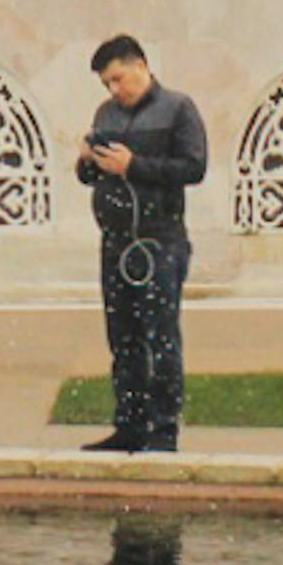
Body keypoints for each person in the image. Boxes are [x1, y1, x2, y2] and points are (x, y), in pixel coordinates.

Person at [74, 35, 208, 456]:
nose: (114, 89)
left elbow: (194, 167)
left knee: (160, 337)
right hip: (116, 242)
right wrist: (87, 160)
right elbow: (91, 177)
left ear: (140, 66)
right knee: (123, 338)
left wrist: (135, 166)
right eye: (107, 84)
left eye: (118, 79)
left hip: (159, 241)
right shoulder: (106, 113)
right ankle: (129, 425)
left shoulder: (178, 108)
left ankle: (164, 429)